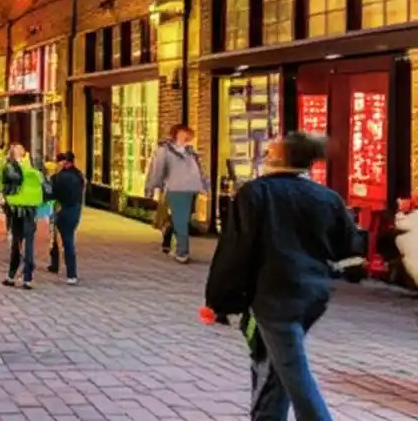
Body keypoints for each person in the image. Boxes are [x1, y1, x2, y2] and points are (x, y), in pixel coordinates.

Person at [205, 132, 360, 421]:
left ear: (278, 157)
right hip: (312, 294)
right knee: (274, 361)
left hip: (273, 294)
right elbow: (350, 252)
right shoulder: (327, 198)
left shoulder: (255, 193)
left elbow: (237, 250)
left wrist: (220, 300)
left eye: (270, 150)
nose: (266, 154)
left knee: (291, 369)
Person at [145, 124, 208, 263]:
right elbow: (157, 170)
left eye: (188, 134)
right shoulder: (164, 151)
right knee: (181, 220)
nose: (187, 137)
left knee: (182, 218)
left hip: (191, 189)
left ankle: (169, 231)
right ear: (176, 134)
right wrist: (151, 187)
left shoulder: (191, 152)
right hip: (176, 188)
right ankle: (182, 252)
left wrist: (204, 186)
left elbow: (200, 171)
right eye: (184, 133)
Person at [1, 144, 43, 289]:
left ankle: (13, 276)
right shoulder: (33, 167)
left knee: (17, 243)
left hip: (18, 209)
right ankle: (26, 278)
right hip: (31, 209)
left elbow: (9, 183)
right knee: (28, 244)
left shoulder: (11, 167)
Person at [46, 152, 85, 284]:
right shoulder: (79, 175)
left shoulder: (59, 177)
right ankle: (70, 272)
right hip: (75, 211)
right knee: (69, 240)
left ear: (64, 162)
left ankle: (67, 271)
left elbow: (52, 193)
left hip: (62, 210)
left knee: (63, 240)